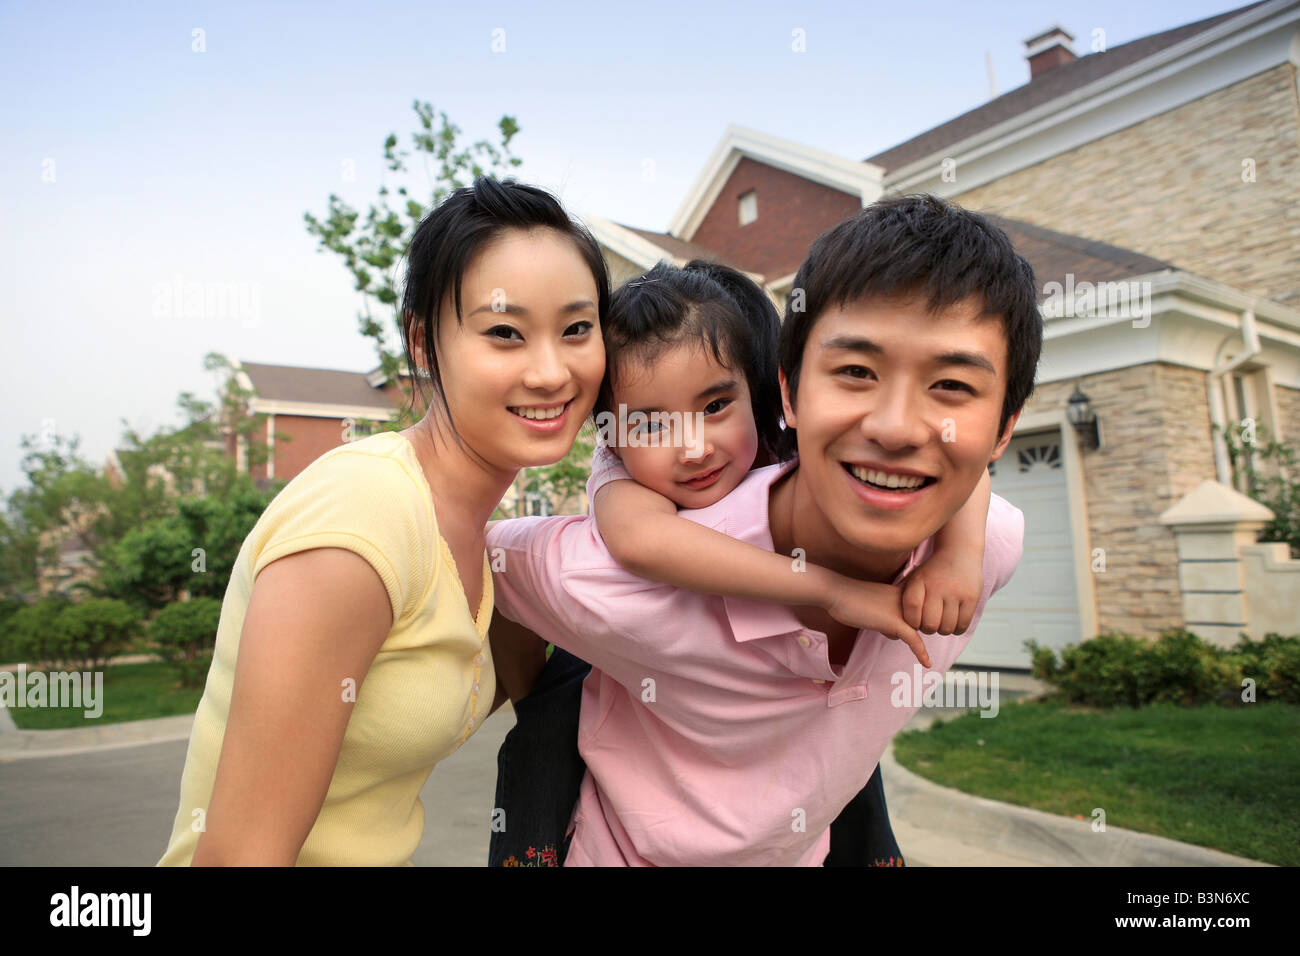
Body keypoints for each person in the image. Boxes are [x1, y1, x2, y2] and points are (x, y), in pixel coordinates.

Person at [486, 193, 1041, 865]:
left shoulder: (981, 542)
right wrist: (538, 700)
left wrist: (960, 553)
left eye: (951, 385)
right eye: (857, 372)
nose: (895, 428)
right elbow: (515, 560)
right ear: (791, 389)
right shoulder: (610, 558)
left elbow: (973, 481)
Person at [157, 177, 608, 866]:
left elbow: (543, 696)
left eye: (576, 328)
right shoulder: (363, 517)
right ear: (425, 345)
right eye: (504, 333)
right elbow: (240, 856)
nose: (550, 372)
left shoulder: (482, 545)